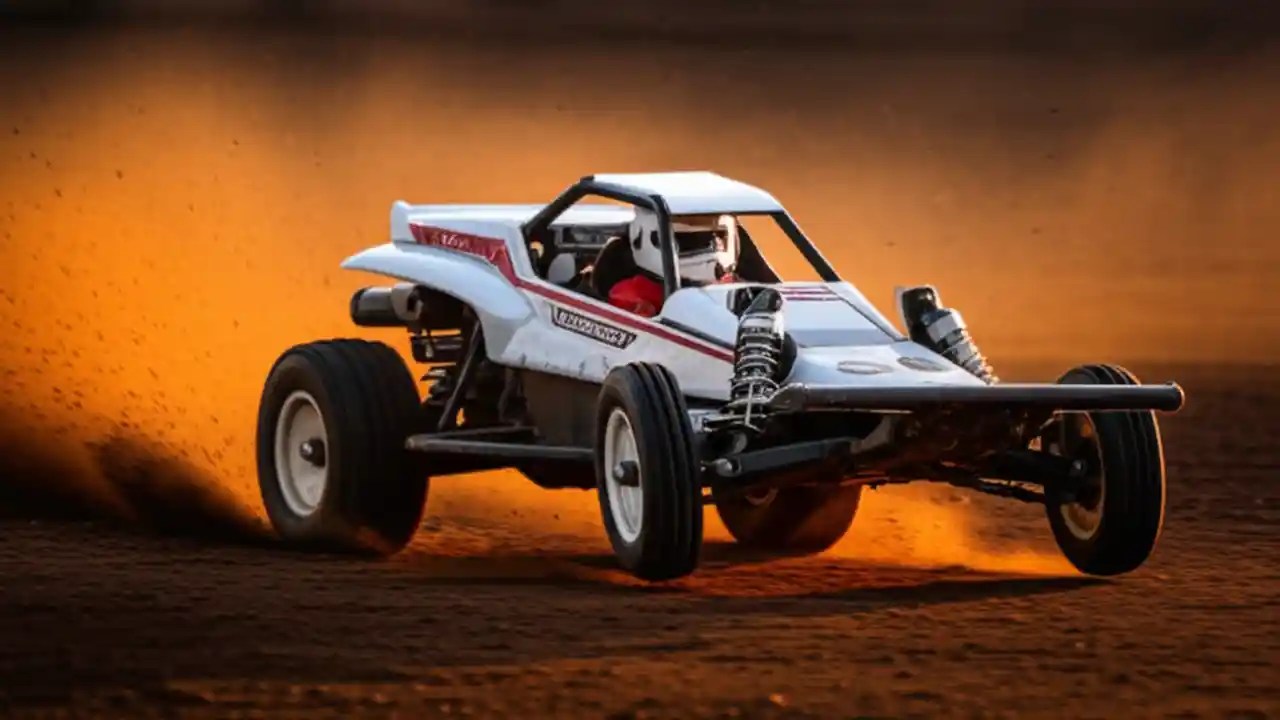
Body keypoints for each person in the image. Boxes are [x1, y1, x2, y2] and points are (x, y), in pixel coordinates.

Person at [608, 210, 739, 317]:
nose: (711, 248)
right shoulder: (632, 292)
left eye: (715, 239)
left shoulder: (733, 286)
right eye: (688, 241)